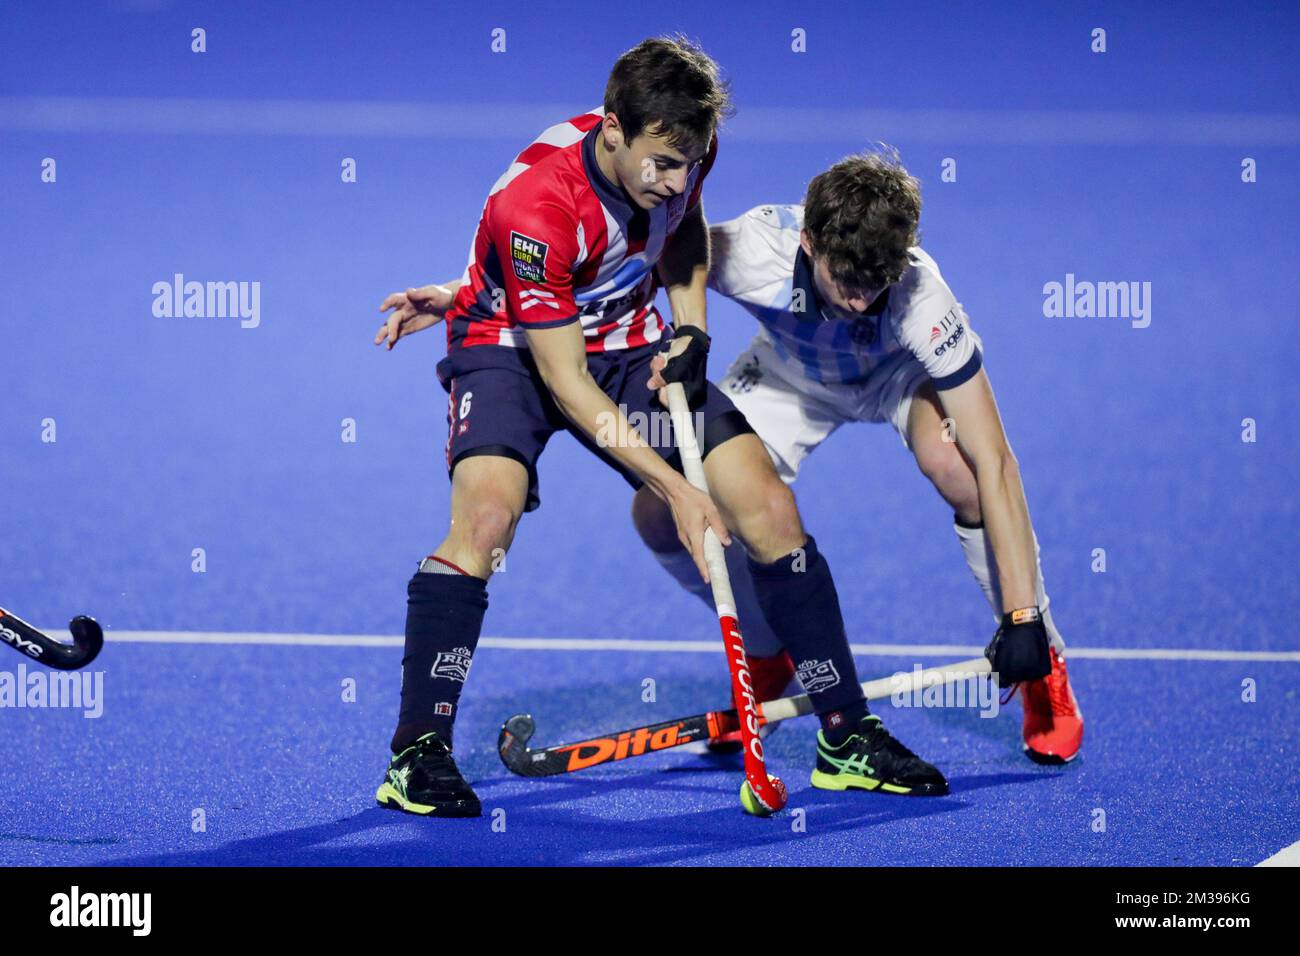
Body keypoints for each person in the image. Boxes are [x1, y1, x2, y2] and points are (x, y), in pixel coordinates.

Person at [371, 40, 954, 818]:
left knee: (769, 508)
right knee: (485, 518)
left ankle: (845, 735)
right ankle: (418, 755)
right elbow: (566, 382)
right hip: (514, 350)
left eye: (692, 162)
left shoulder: (684, 146)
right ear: (613, 129)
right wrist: (676, 489)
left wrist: (689, 331)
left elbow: (683, 233)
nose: (679, 179)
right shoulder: (536, 209)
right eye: (664, 164)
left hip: (626, 338)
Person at [396, 148, 1081, 768]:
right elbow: (613, 279)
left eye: (878, 284)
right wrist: (465, 295)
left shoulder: (922, 299)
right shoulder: (751, 247)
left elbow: (998, 462)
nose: (861, 301)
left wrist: (1023, 617)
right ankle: (767, 651)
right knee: (660, 514)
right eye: (845, 280)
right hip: (789, 380)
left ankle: (1043, 669)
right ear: (809, 241)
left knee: (956, 470)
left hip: (897, 382)